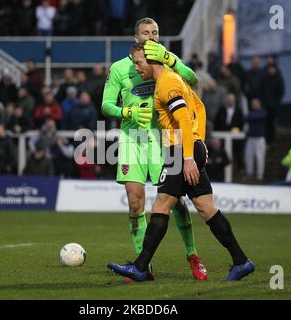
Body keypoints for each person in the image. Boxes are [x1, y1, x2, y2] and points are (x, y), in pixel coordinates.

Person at [108, 43, 254, 281]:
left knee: (161, 205)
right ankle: (241, 261)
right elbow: (199, 106)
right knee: (207, 209)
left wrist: (187, 157)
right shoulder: (174, 79)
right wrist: (199, 142)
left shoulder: (166, 83)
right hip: (188, 146)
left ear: (153, 60)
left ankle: (141, 267)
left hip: (180, 150)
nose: (136, 68)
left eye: (139, 63)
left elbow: (184, 119)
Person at [102, 17, 207, 281]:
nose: (151, 37)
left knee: (177, 201)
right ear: (136, 38)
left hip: (164, 138)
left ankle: (193, 255)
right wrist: (127, 111)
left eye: (155, 32)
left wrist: (171, 60)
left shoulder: (167, 59)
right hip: (132, 138)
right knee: (135, 201)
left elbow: (193, 80)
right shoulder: (119, 68)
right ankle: (143, 267)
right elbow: (106, 105)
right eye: (145, 33)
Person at [244, 98, 267, 181]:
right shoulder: (251, 112)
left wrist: (252, 117)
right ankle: (249, 174)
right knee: (248, 156)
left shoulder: (263, 112)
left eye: (255, 103)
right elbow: (246, 119)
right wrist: (252, 117)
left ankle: (259, 175)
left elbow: (258, 117)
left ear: (259, 104)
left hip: (260, 138)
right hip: (251, 138)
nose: (254, 105)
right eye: (252, 104)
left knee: (260, 157)